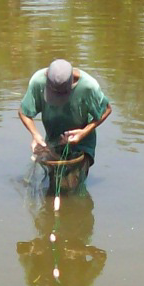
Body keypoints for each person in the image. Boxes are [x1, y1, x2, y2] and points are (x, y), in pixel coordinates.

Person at [18, 58, 112, 191]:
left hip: (82, 143)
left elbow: (106, 109)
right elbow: (23, 112)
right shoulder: (38, 81)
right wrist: (35, 135)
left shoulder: (89, 86)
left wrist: (83, 132)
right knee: (54, 184)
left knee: (70, 187)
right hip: (53, 142)